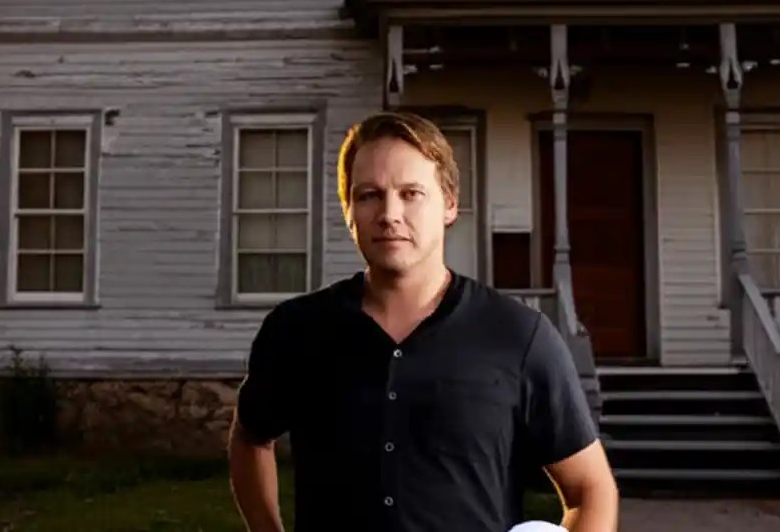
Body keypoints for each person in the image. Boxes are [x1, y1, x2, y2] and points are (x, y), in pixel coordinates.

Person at [228, 111, 620, 532]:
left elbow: (591, 489)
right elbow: (251, 438)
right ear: (348, 211)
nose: (389, 213)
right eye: (368, 195)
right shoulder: (296, 331)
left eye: (411, 193)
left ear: (450, 203)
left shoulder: (519, 336)